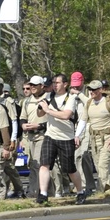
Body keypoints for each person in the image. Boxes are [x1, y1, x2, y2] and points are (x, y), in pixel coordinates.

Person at [34, 74, 88, 205]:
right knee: (44, 164)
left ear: (65, 84)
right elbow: (40, 114)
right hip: (50, 135)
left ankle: (80, 192)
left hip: (66, 137)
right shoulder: (49, 96)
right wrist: (41, 107)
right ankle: (43, 194)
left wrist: (48, 110)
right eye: (53, 83)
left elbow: (66, 115)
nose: (54, 85)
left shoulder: (71, 98)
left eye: (57, 83)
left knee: (69, 168)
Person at [84, 79, 110, 192]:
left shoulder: (109, 103)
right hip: (95, 138)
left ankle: (102, 189)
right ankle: (107, 188)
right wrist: (77, 136)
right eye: (89, 89)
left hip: (108, 137)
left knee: (103, 163)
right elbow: (83, 120)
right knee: (98, 166)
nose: (91, 91)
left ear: (100, 90)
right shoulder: (88, 103)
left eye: (94, 89)